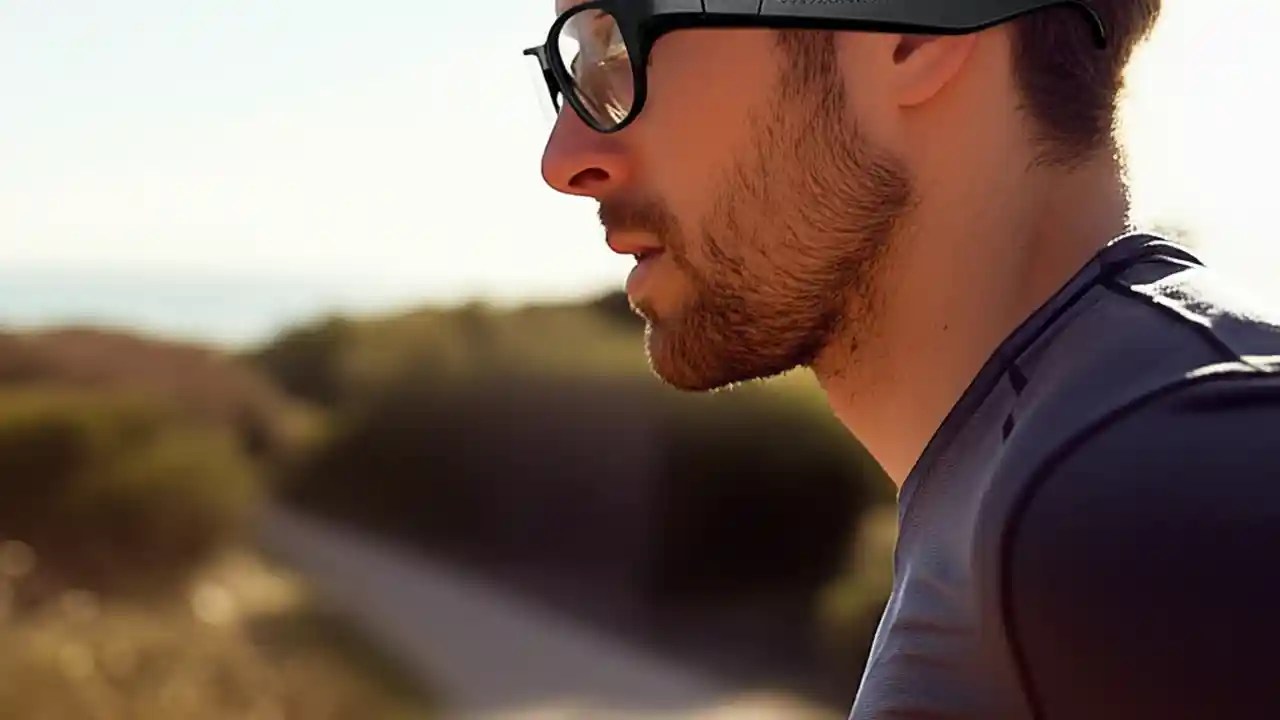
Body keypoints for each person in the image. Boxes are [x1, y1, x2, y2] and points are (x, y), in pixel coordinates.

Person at [524, 1, 1280, 717]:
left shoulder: (1164, 481)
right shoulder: (1052, 473)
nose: (565, 160)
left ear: (910, 28)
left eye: (615, 44)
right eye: (574, 70)